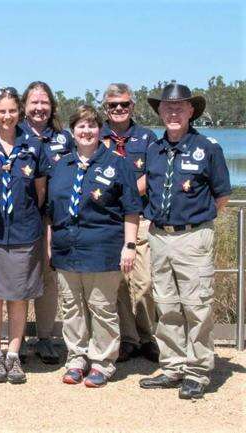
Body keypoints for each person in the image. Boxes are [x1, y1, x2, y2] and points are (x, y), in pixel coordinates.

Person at [139, 82, 231, 400]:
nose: (173, 111)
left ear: (192, 111)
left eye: (180, 107)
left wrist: (197, 225)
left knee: (197, 306)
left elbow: (222, 196)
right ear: (160, 111)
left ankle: (198, 370)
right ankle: (173, 365)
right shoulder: (153, 149)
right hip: (159, 237)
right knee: (166, 306)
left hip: (193, 237)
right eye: (167, 107)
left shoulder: (208, 148)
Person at [46, 105, 141, 387]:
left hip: (103, 249)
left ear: (100, 130)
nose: (86, 131)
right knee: (72, 308)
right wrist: (50, 245)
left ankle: (103, 361)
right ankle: (77, 357)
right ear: (72, 132)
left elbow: (131, 209)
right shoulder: (61, 166)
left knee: (102, 307)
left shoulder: (117, 163)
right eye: (80, 126)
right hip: (66, 250)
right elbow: (51, 211)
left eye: (91, 126)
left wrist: (130, 245)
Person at [0, 87, 47, 384]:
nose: (7, 116)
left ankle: (14, 355)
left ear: (20, 112)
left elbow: (40, 192)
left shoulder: (34, 147)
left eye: (12, 111)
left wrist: (25, 216)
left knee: (18, 297)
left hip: (23, 233)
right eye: (2, 111)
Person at [100, 83, 161, 363]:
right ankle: (128, 339)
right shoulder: (97, 137)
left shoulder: (146, 138)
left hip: (141, 219)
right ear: (106, 108)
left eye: (124, 104)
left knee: (144, 282)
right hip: (110, 221)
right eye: (113, 105)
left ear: (132, 106)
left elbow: (152, 173)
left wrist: (125, 190)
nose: (119, 109)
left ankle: (150, 336)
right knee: (119, 285)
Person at [19, 81, 74, 364]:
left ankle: (45, 337)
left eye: (44, 103)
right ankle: (17, 340)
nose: (39, 108)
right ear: (24, 106)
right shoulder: (14, 135)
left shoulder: (65, 138)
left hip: (56, 217)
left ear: (52, 106)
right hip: (21, 217)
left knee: (49, 277)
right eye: (34, 103)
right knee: (20, 276)